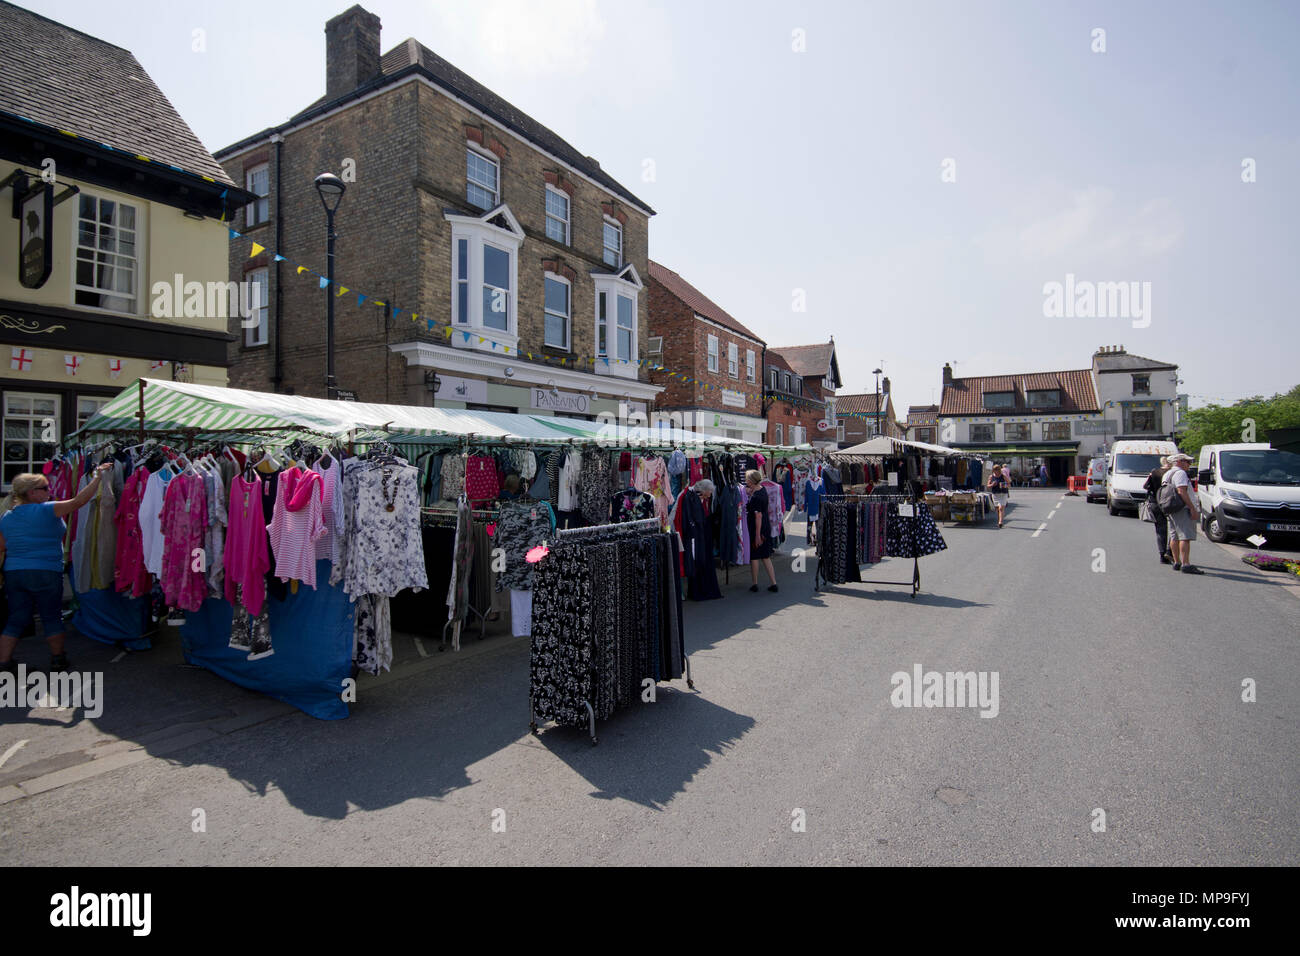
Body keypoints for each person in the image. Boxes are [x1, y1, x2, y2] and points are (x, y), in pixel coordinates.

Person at [0, 463, 113, 674]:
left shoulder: (7, 516)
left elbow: (2, 546)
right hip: (45, 571)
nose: (49, 491)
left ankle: (4, 662)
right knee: (51, 616)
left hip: (15, 572)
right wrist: (98, 477)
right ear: (32, 492)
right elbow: (80, 501)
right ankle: (58, 659)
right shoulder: (47, 509)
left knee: (16, 617)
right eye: (44, 488)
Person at [1162, 453, 1203, 574]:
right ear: (1179, 461)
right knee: (1185, 536)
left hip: (1171, 507)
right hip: (1182, 508)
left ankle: (1176, 561)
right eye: (1187, 462)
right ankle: (1186, 563)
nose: (1189, 465)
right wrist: (1192, 508)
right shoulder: (1180, 473)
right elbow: (1181, 491)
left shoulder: (1167, 473)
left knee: (1174, 535)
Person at [744, 469, 777, 592]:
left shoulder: (757, 496)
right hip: (765, 526)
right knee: (765, 556)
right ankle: (773, 583)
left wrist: (757, 535)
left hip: (758, 528)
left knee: (755, 556)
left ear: (751, 481)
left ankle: (755, 583)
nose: (746, 480)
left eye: (747, 478)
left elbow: (758, 516)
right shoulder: (761, 489)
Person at [1143, 457, 1174, 565]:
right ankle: (1170, 551)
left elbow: (1145, 486)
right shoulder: (1172, 473)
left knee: (1160, 529)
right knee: (1174, 528)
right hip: (1170, 503)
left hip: (1155, 503)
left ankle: (1162, 554)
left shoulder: (1154, 472)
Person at [987, 463, 1010, 528]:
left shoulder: (1003, 476)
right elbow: (988, 485)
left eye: (997, 470)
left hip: (1003, 494)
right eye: (994, 470)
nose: (996, 471)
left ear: (999, 470)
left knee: (1001, 508)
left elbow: (1009, 484)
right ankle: (1000, 519)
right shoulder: (991, 476)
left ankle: (1000, 522)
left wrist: (1004, 485)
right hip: (995, 494)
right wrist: (992, 485)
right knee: (997, 509)